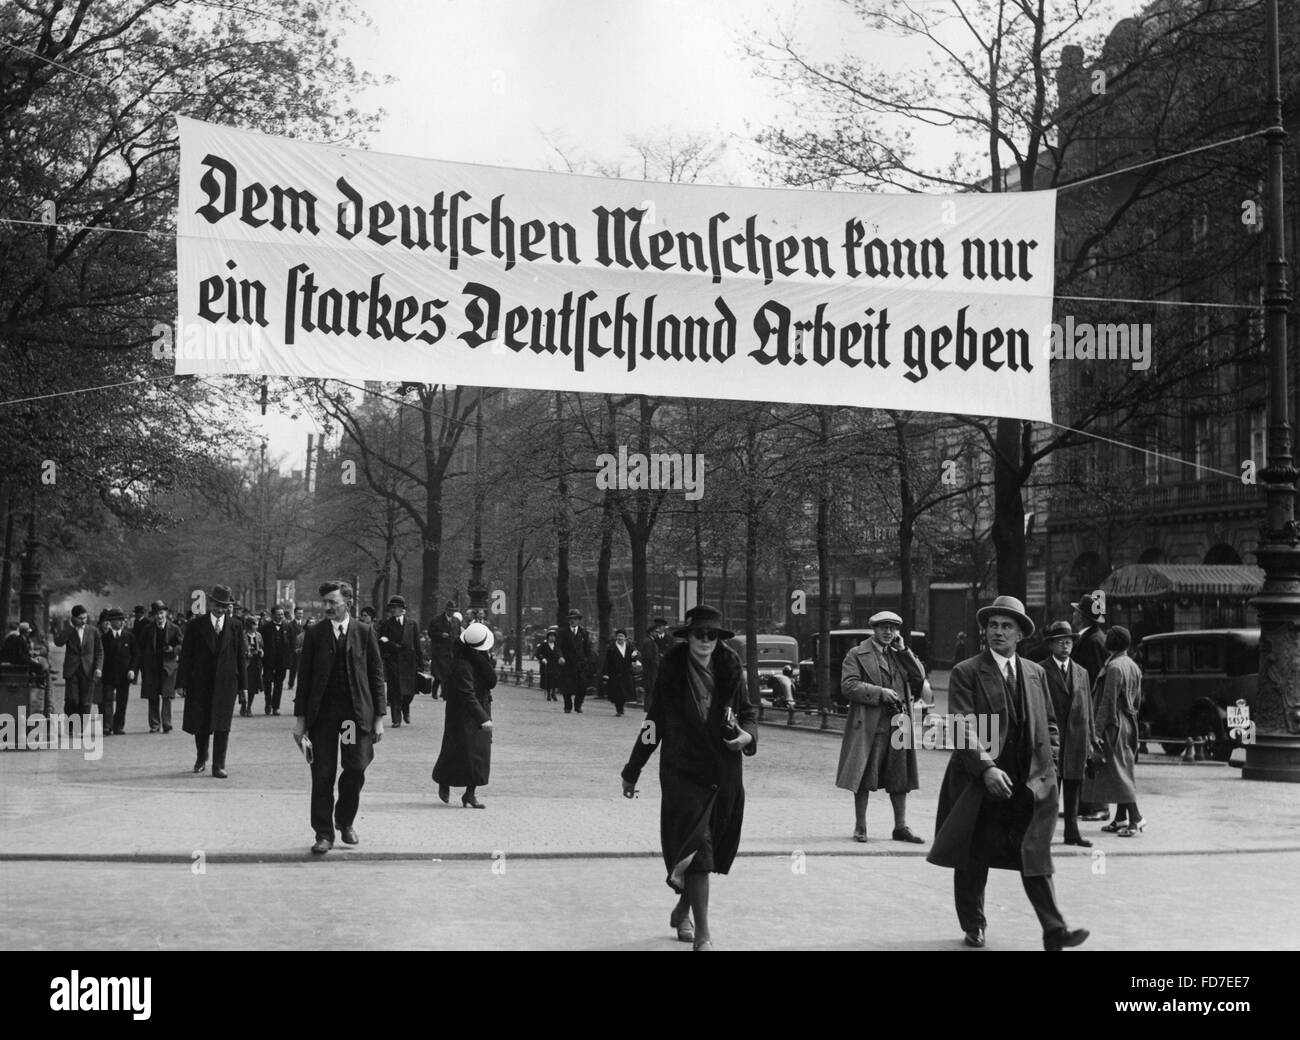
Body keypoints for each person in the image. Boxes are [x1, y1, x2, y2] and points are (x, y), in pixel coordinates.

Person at [928, 595, 1088, 952]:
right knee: (974, 852)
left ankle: (1054, 929)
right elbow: (961, 724)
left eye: (1007, 626)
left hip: (1028, 781)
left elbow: (1049, 723)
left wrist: (1053, 764)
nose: (998, 632)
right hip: (978, 780)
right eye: (993, 626)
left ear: (1020, 635)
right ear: (984, 631)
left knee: (1034, 852)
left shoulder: (1034, 673)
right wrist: (986, 768)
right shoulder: (967, 671)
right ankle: (974, 925)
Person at [620, 604, 758, 951]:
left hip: (723, 773)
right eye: (700, 634)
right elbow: (654, 723)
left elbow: (749, 712)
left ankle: (682, 911)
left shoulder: (730, 668)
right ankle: (703, 936)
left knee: (707, 851)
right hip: (683, 774)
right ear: (688, 636)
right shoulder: (672, 671)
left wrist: (748, 737)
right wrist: (632, 770)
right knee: (698, 850)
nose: (706, 641)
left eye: (712, 635)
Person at [293, 580, 387, 854]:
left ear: (348, 602)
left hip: (352, 717)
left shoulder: (364, 632)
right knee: (322, 773)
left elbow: (376, 676)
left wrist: (379, 717)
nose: (327, 607)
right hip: (323, 716)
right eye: (325, 602)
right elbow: (305, 678)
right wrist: (300, 720)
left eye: (333, 602)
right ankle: (323, 833)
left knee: (355, 768)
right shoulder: (315, 634)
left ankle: (345, 821)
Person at [836, 610, 926, 844]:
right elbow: (848, 686)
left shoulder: (899, 655)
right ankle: (861, 826)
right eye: (883, 627)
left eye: (893, 628)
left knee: (900, 777)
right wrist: (880, 693)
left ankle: (900, 827)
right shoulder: (856, 654)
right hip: (869, 724)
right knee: (864, 774)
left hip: (899, 724)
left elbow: (919, 677)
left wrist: (904, 650)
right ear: (873, 629)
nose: (888, 632)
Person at [177, 584, 247, 778]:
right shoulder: (196, 625)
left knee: (222, 725)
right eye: (217, 604)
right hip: (200, 682)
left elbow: (241, 658)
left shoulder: (236, 626)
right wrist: (181, 683)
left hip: (226, 684)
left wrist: (244, 687)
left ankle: (218, 765)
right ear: (210, 603)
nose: (220, 609)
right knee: (201, 723)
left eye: (224, 606)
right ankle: (201, 758)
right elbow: (186, 656)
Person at [1084, 626, 1145, 838]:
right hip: (1128, 722)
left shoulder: (1114, 668)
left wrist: (1096, 732)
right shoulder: (1133, 666)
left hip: (1114, 724)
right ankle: (1121, 817)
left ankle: (1136, 818)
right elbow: (1137, 700)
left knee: (1119, 772)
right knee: (1123, 767)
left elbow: (1107, 703)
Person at [1041, 621, 1097, 847]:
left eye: (1069, 641)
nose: (1066, 645)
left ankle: (1072, 833)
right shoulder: (1040, 670)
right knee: (1049, 791)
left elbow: (1089, 708)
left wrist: (1091, 739)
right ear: (1051, 645)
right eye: (1060, 641)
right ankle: (1044, 834)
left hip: (1076, 739)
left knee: (1074, 787)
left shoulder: (1081, 672)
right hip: (1051, 740)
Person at [431, 622, 496, 808]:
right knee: (456, 751)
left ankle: (470, 793)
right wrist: (482, 717)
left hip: (479, 708)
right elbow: (467, 694)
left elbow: (490, 680)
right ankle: (444, 781)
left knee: (480, 753)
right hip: (462, 712)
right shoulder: (462, 664)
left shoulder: (479, 658)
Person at [1070, 590, 1111, 822]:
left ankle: (1098, 806)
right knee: (1084, 758)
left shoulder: (1092, 641)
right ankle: (1086, 805)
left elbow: (1094, 678)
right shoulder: (1094, 638)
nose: (1073, 616)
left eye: (1076, 612)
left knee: (1091, 757)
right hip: (1086, 708)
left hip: (1089, 709)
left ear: (1083, 617)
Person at [135, 601, 181, 733]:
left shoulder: (174, 629)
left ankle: (167, 723)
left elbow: (182, 645)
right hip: (152, 668)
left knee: (167, 696)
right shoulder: (147, 629)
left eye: (161, 613)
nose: (159, 616)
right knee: (153, 696)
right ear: (153, 616)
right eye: (156, 614)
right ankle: (154, 724)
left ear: (166, 613)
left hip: (168, 668)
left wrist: (173, 649)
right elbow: (140, 648)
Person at [53, 605, 103, 721]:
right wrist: (70, 628)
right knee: (72, 700)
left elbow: (99, 651)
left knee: (85, 702)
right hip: (72, 670)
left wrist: (98, 668)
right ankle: (71, 725)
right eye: (80, 618)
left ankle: (80, 727)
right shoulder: (69, 630)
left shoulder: (93, 631)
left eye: (85, 618)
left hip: (88, 670)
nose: (83, 621)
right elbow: (58, 642)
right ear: (73, 618)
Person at [379, 595, 421, 726]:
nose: (393, 610)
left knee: (409, 693)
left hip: (409, 662)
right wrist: (392, 645)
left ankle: (405, 707)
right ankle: (396, 719)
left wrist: (420, 662)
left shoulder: (412, 624)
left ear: (402, 609)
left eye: (395, 608)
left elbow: (417, 643)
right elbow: (381, 642)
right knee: (395, 691)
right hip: (393, 661)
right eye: (392, 608)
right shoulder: (386, 624)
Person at [100, 608, 136, 735]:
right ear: (111, 622)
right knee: (107, 700)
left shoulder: (130, 637)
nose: (122, 622)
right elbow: (100, 655)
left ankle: (118, 726)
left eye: (122, 619)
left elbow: (136, 655)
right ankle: (107, 726)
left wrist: (132, 670)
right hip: (108, 674)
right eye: (118, 620)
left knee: (122, 701)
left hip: (124, 675)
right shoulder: (104, 638)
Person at [259, 606, 294, 715]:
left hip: (282, 661)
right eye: (278, 614)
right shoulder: (265, 627)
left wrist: (289, 659)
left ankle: (275, 707)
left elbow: (292, 644)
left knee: (279, 684)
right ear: (273, 615)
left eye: (282, 614)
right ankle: (268, 704)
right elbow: (260, 643)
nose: (281, 616)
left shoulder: (288, 627)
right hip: (268, 660)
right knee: (267, 682)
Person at [557, 608, 592, 714]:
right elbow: (558, 646)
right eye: (571, 619)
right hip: (567, 663)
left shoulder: (584, 632)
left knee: (582, 686)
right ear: (569, 620)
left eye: (575, 619)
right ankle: (568, 706)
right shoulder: (562, 632)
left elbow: (587, 648)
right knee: (567, 686)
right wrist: (560, 656)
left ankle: (578, 705)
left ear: (579, 620)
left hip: (580, 664)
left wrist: (587, 660)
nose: (573, 621)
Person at [600, 629, 640, 716]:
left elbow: (635, 658)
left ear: (625, 638)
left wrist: (635, 657)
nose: (620, 638)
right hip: (615, 674)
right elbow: (607, 662)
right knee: (617, 693)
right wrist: (606, 674)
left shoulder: (630, 648)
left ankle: (620, 708)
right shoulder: (611, 648)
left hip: (626, 674)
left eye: (622, 636)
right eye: (618, 636)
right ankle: (619, 709)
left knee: (624, 693)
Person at [427, 601, 461, 700]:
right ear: (446, 610)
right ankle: (435, 691)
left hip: (451, 651)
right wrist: (440, 634)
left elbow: (458, 635)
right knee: (439, 674)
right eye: (450, 610)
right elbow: (431, 633)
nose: (451, 612)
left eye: (453, 611)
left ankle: (445, 693)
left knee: (448, 673)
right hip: (439, 651)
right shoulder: (436, 620)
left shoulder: (457, 621)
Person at [639, 617, 669, 711]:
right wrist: (656, 662)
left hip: (653, 668)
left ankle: (649, 706)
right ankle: (648, 707)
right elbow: (648, 656)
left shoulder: (650, 641)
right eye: (655, 631)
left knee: (651, 688)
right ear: (651, 632)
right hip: (651, 669)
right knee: (650, 688)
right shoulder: (649, 641)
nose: (657, 633)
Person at [240, 615, 264, 717]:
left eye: (257, 624)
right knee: (244, 686)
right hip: (246, 664)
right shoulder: (242, 635)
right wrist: (245, 654)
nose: (257, 626)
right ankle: (243, 705)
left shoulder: (258, 635)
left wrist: (261, 652)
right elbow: (238, 648)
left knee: (253, 687)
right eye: (255, 624)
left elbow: (262, 646)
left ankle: (249, 707)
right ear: (249, 625)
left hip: (255, 664)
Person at [536, 629, 560, 701]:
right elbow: (538, 653)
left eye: (553, 636)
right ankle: (548, 693)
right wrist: (542, 658)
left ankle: (554, 693)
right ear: (548, 637)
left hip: (555, 664)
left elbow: (560, 653)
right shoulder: (543, 645)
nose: (552, 638)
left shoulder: (557, 645)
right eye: (551, 636)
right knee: (548, 679)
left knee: (555, 679)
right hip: (547, 664)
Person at [286, 607, 305, 690]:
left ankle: (302, 684)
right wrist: (292, 649)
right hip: (293, 650)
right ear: (295, 613)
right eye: (298, 613)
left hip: (303, 650)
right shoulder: (290, 625)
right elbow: (288, 639)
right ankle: (291, 684)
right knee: (293, 668)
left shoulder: (305, 625)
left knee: (303, 668)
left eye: (301, 613)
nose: (300, 615)